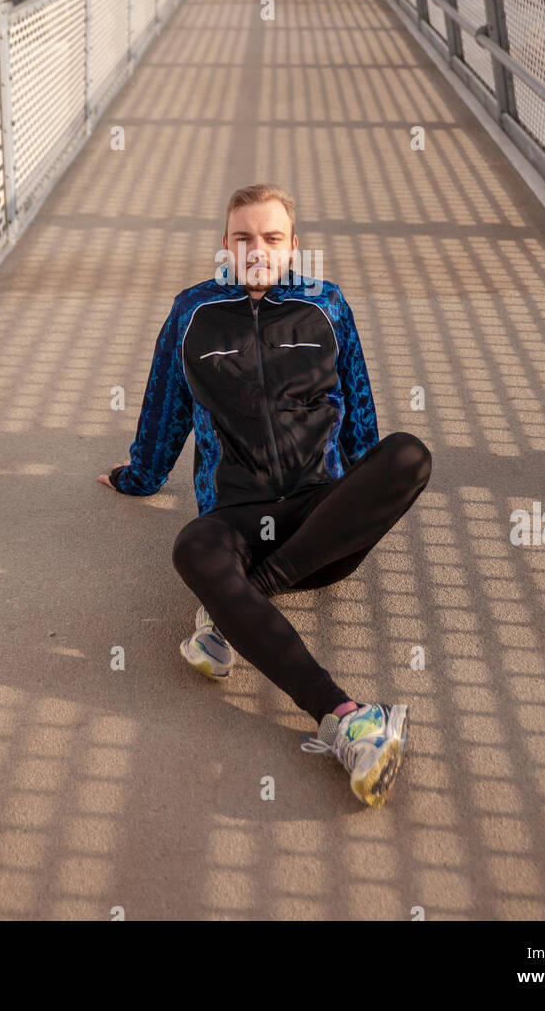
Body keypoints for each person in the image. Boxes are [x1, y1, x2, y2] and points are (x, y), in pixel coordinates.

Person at [98, 184, 432, 808]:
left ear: (293, 247)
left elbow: (360, 413)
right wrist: (137, 476)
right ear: (225, 245)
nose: (257, 250)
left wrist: (361, 497)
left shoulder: (326, 303)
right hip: (236, 520)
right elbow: (165, 408)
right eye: (244, 238)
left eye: (272, 239)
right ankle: (348, 719)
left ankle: (232, 611)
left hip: (319, 519)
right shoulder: (192, 312)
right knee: (191, 548)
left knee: (409, 453)